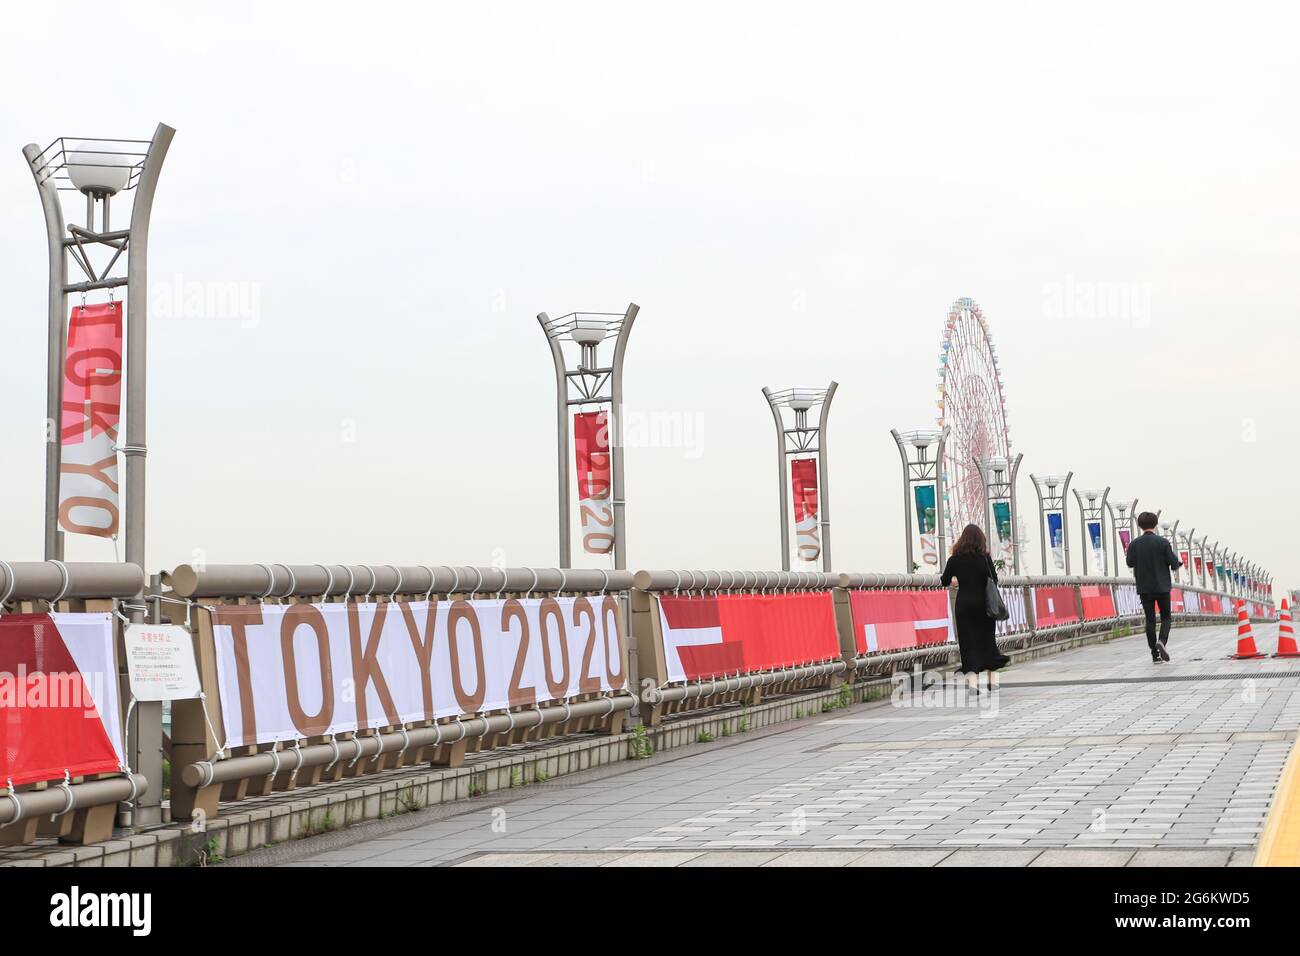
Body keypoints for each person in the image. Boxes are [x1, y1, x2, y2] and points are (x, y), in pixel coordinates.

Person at [941, 523, 1011, 690]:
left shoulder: (954, 559)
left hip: (964, 605)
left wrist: (959, 580)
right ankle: (992, 682)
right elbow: (994, 579)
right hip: (984, 607)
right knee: (987, 641)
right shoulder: (985, 559)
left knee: (968, 644)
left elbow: (944, 581)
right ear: (981, 540)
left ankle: (972, 683)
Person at [1125, 511, 1182, 663]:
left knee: (1150, 620)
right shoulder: (1163, 543)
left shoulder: (1134, 544)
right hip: (1162, 586)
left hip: (1144, 588)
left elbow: (1130, 563)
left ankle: (1154, 654)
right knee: (1166, 618)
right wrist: (1177, 563)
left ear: (1140, 525)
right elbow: (1173, 563)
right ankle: (1162, 641)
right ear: (1156, 524)